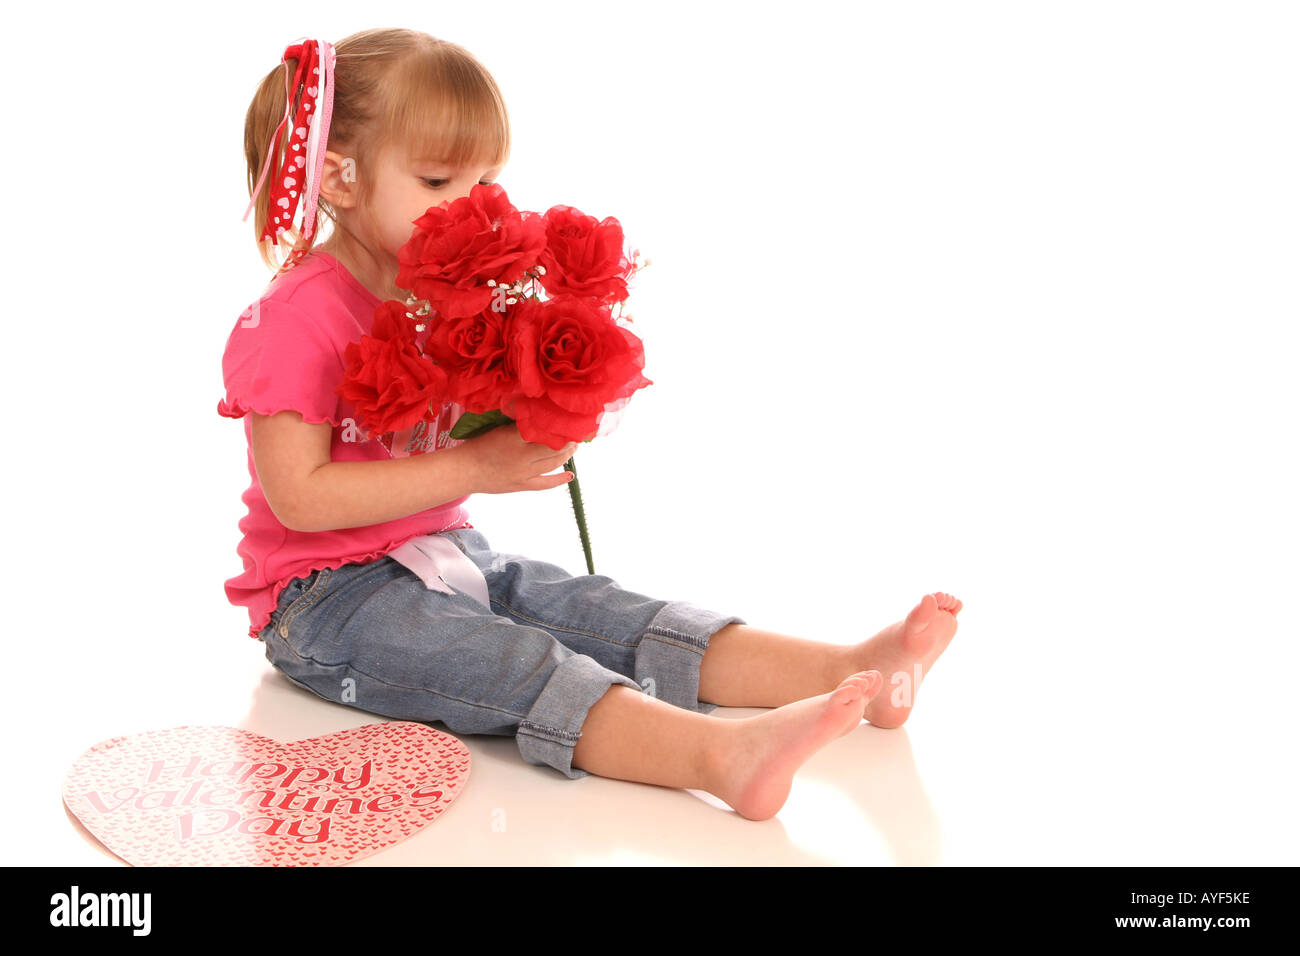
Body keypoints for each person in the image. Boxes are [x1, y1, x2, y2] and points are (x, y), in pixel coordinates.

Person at [220, 27, 963, 822]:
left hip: (450, 555)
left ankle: (851, 667)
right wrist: (475, 470)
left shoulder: (447, 292)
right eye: (439, 179)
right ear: (340, 177)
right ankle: (718, 755)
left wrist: (548, 395)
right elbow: (298, 497)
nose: (474, 203)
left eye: (487, 179)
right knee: (510, 658)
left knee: (599, 609)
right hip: (326, 602)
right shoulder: (294, 317)